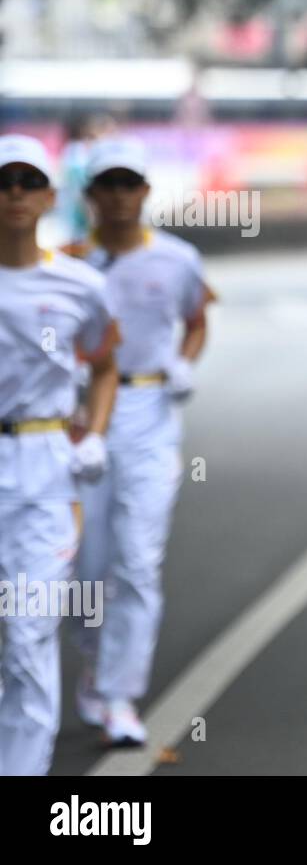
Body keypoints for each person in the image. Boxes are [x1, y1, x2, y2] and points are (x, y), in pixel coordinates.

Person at [70, 137, 215, 747]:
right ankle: (96, 666)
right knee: (85, 565)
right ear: (91, 195)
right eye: (110, 185)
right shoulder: (69, 262)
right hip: (78, 419)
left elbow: (198, 319)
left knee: (137, 560)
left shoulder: (178, 260)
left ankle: (119, 695)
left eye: (131, 184)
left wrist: (183, 364)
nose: (121, 195)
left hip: (151, 412)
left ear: (145, 192)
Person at [0, 134, 119, 774]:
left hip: (43, 468)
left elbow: (104, 364)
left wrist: (94, 432)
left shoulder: (77, 284)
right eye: (4, 181)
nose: (15, 192)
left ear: (48, 195)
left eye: (28, 180)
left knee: (27, 634)